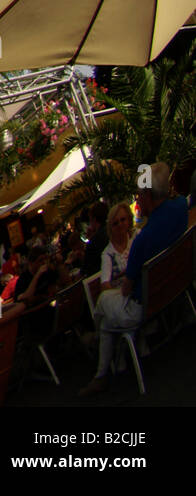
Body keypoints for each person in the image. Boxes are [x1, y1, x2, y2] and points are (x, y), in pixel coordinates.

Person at [80, 164, 190, 396]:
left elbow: (127, 288)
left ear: (148, 196)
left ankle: (100, 362)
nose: (138, 199)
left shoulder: (142, 240)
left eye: (139, 194)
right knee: (109, 314)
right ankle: (102, 362)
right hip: (179, 281)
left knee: (103, 305)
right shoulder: (181, 207)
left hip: (147, 305)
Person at [99, 202, 134, 289]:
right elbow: (104, 284)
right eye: (115, 223)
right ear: (110, 228)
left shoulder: (137, 235)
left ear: (129, 220)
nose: (120, 225)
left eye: (123, 220)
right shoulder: (108, 253)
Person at [82, 202, 110, 276]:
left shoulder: (94, 241)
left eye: (90, 219)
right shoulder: (113, 229)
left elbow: (87, 268)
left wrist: (90, 240)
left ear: (93, 219)